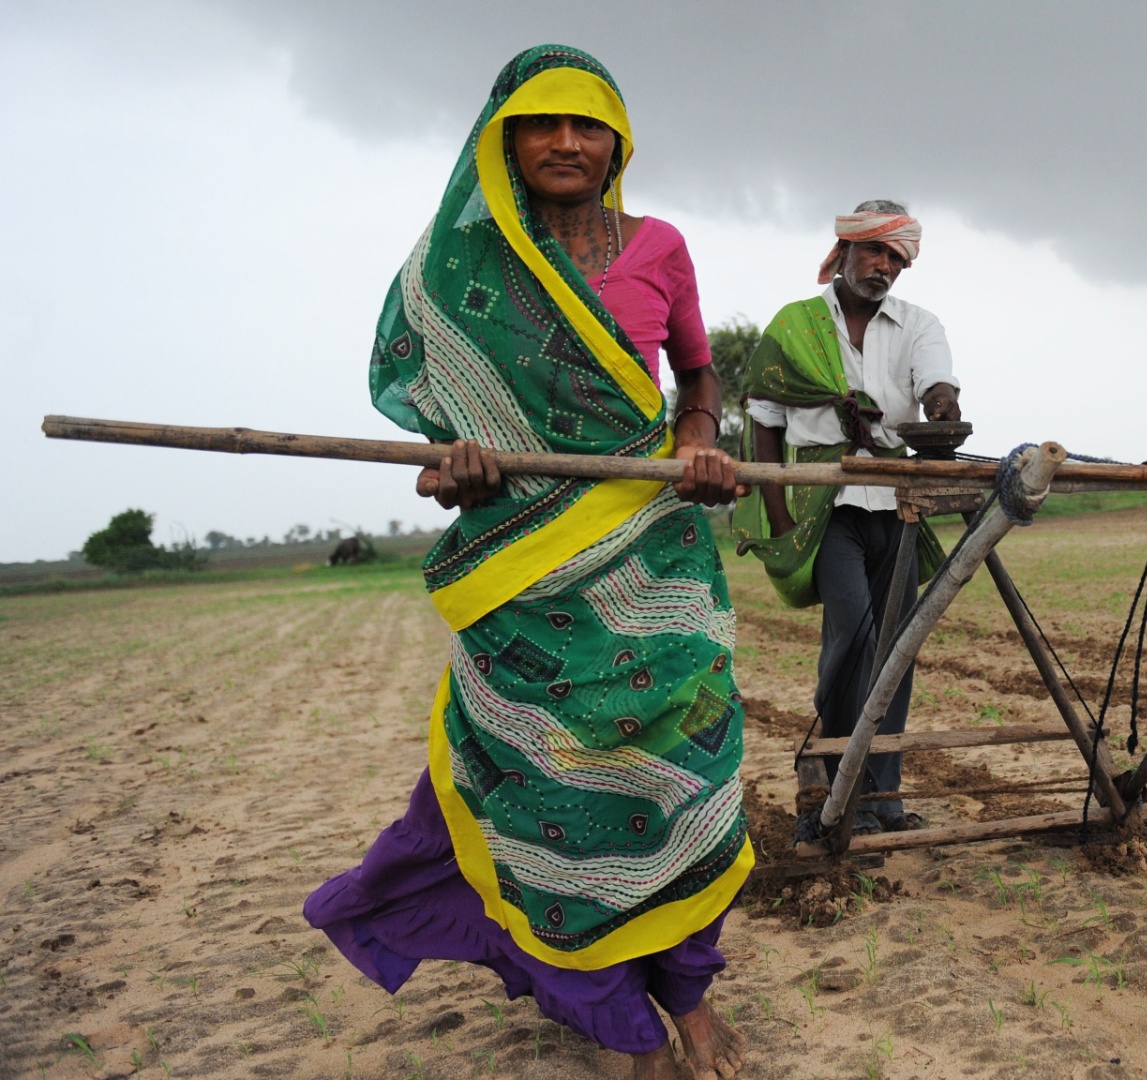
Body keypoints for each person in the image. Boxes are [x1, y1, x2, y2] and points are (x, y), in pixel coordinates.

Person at [304, 45, 750, 1080]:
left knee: (684, 773)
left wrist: (696, 441)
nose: (563, 142)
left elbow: (696, 371)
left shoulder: (661, 246)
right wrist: (455, 467)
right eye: (540, 124)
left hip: (655, 554)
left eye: (585, 124)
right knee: (551, 795)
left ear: (617, 143)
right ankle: (629, 1024)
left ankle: (690, 1000)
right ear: (502, 140)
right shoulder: (456, 275)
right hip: (526, 585)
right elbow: (439, 459)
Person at [734, 202, 961, 840]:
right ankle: (839, 784)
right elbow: (765, 422)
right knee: (855, 635)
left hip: (896, 502)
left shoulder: (918, 324)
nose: (883, 266)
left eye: (896, 257)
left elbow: (938, 382)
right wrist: (779, 516)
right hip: (822, 506)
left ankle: (883, 800)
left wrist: (943, 405)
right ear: (843, 252)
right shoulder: (796, 325)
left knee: (897, 647)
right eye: (874, 252)